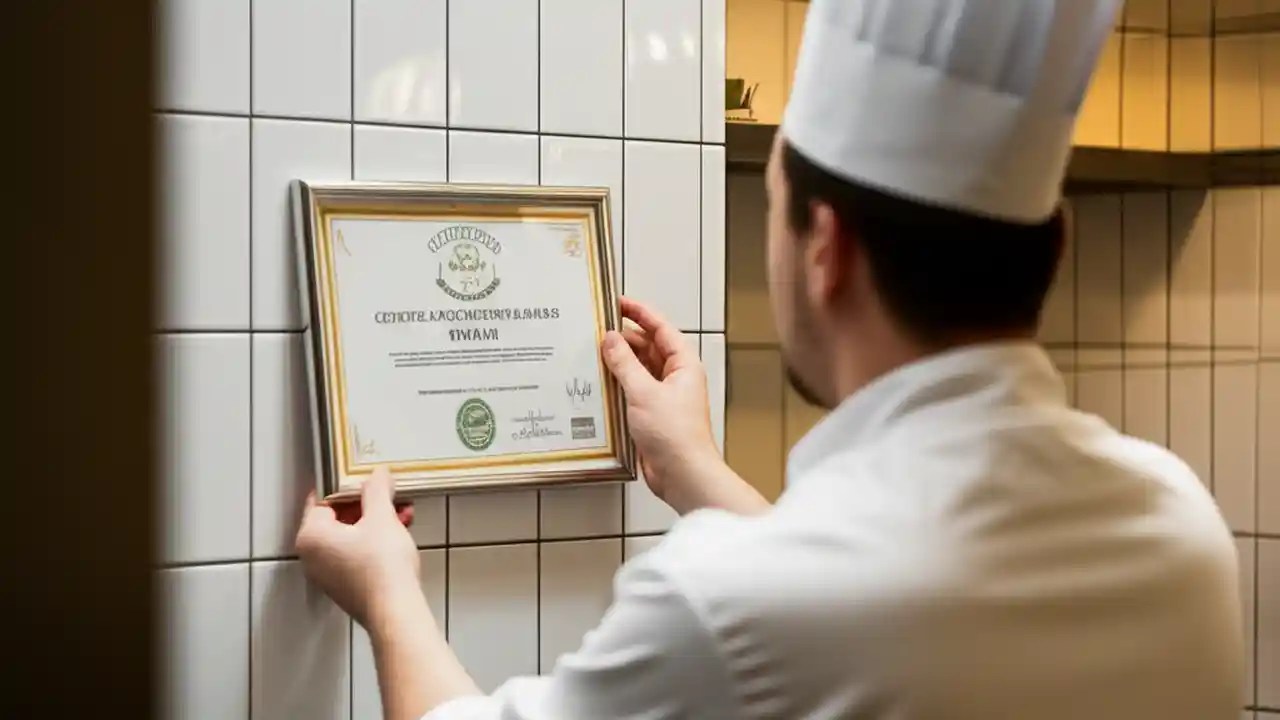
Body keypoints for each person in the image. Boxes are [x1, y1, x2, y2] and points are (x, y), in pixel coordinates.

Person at [296, 0, 1246, 717]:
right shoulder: (1178, 525)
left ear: (825, 248)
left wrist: (384, 587)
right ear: (1054, 246)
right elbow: (887, 599)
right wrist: (695, 470)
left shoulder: (731, 603)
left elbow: (823, 607)